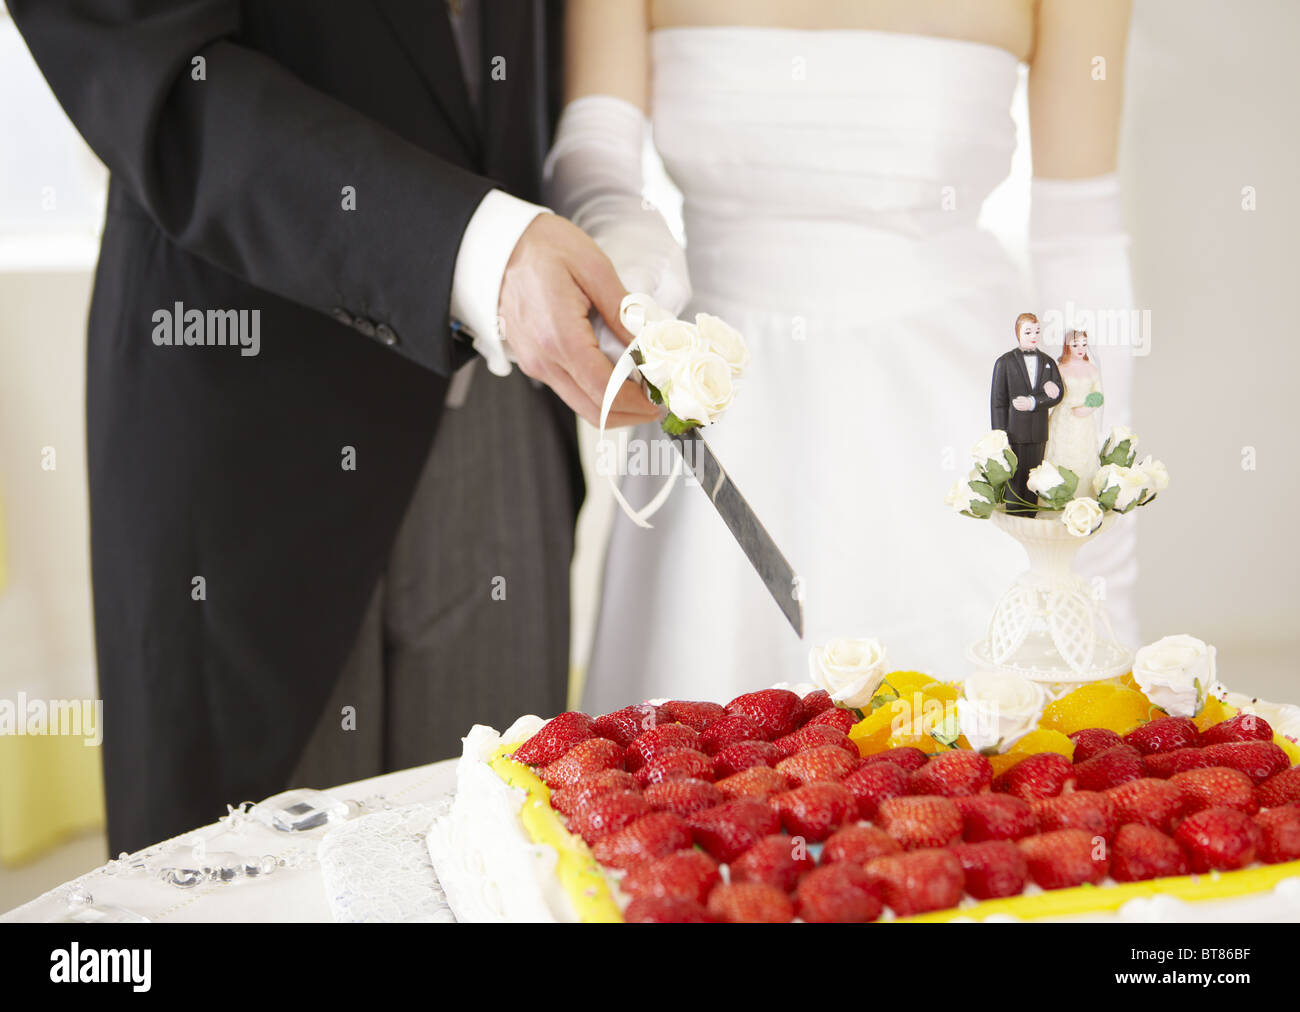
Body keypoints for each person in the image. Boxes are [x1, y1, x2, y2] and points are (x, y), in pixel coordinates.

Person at [9, 0, 658, 856]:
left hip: (507, 409)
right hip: (246, 405)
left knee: (503, 864)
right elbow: (148, 63)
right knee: (257, 884)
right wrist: (474, 252)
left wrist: (601, 197)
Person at [553, 0, 1141, 714]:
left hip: (952, 444)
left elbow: (1079, 238)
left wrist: (1098, 532)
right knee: (686, 772)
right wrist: (625, 254)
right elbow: (593, 149)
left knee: (971, 770)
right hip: (713, 424)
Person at [991, 312, 1066, 516]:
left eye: (1037, 331)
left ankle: (1031, 511)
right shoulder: (1004, 363)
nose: (1034, 335)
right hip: (1014, 432)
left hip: (1038, 431)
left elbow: (1058, 394)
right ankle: (1016, 512)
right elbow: (998, 403)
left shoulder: (1048, 362)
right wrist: (999, 435)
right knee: (1015, 475)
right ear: (1018, 333)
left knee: (1035, 474)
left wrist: (1036, 401)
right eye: (1028, 331)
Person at [1042, 329, 1104, 497]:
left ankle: (1083, 496)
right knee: (1060, 454)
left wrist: (1088, 408)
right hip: (1063, 417)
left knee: (1082, 454)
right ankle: (1054, 497)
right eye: (1075, 344)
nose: (1080, 348)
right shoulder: (1060, 369)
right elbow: (1052, 389)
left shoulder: (1091, 369)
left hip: (1084, 420)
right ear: (1068, 346)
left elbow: (1098, 394)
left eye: (1084, 344)